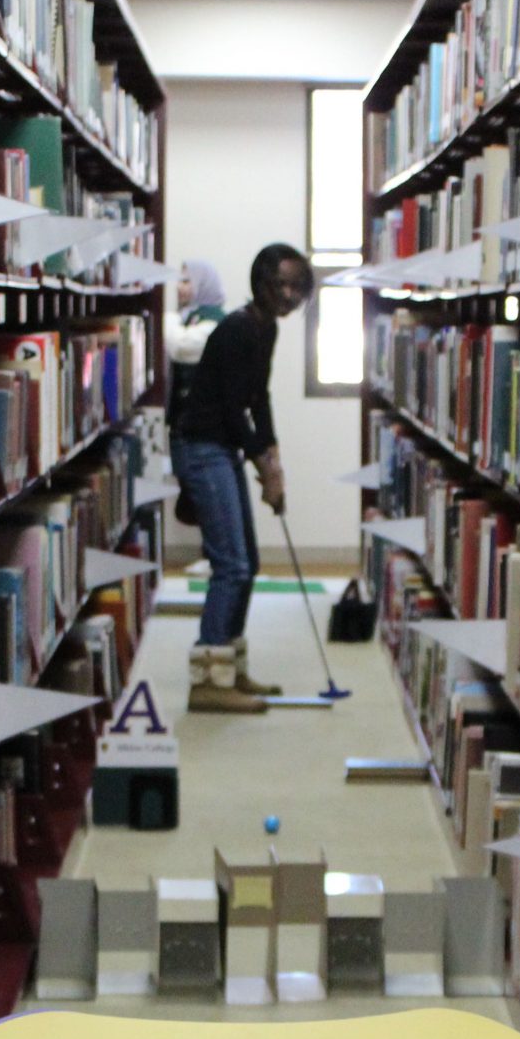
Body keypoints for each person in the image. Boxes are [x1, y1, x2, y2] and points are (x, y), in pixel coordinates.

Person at [170, 242, 314, 713]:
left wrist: (274, 459)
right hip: (202, 447)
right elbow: (233, 411)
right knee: (230, 564)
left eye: (298, 286)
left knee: (247, 563)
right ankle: (207, 682)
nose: (290, 294)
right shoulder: (235, 329)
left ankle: (230, 668)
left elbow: (260, 398)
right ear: (261, 283)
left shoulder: (264, 329)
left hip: (223, 447)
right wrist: (261, 466)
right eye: (282, 284)